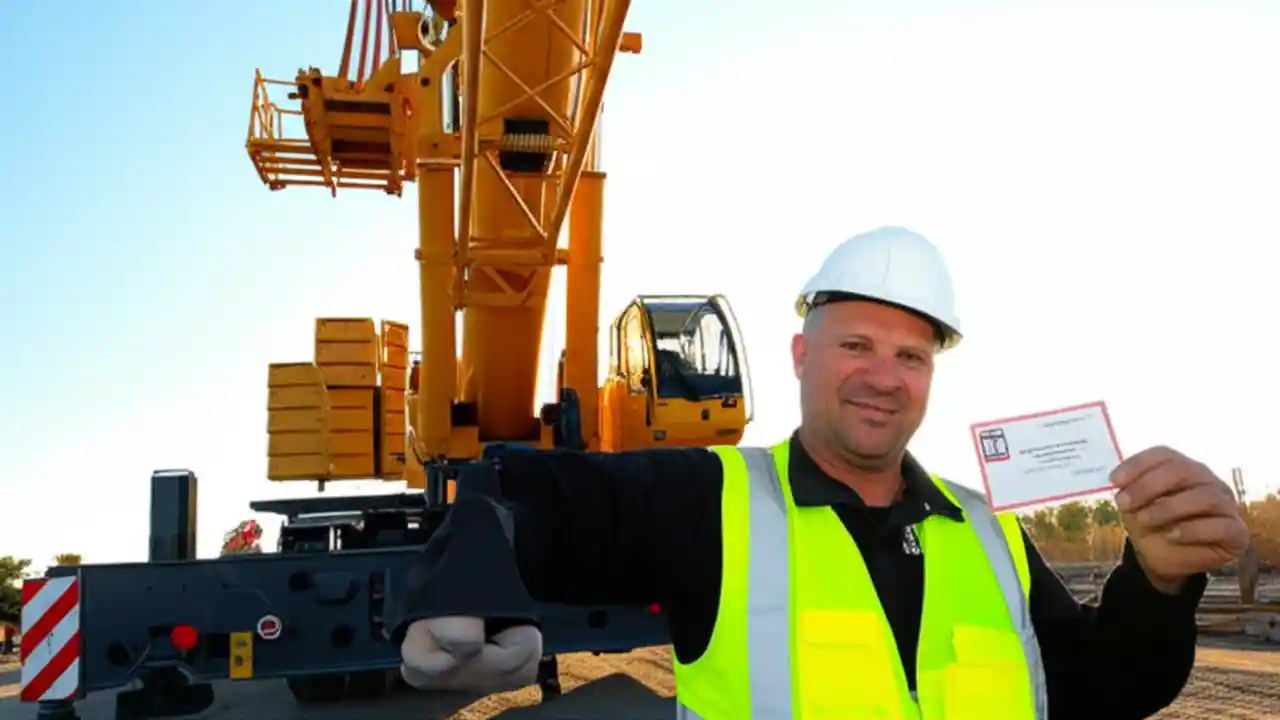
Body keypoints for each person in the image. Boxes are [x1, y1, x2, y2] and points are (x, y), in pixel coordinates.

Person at [391, 226, 1251, 719]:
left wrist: (1160, 583)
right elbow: (523, 491)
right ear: (801, 354)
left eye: (910, 355)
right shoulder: (709, 500)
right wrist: (469, 583)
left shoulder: (991, 534)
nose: (884, 377)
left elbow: (1108, 689)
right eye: (857, 346)